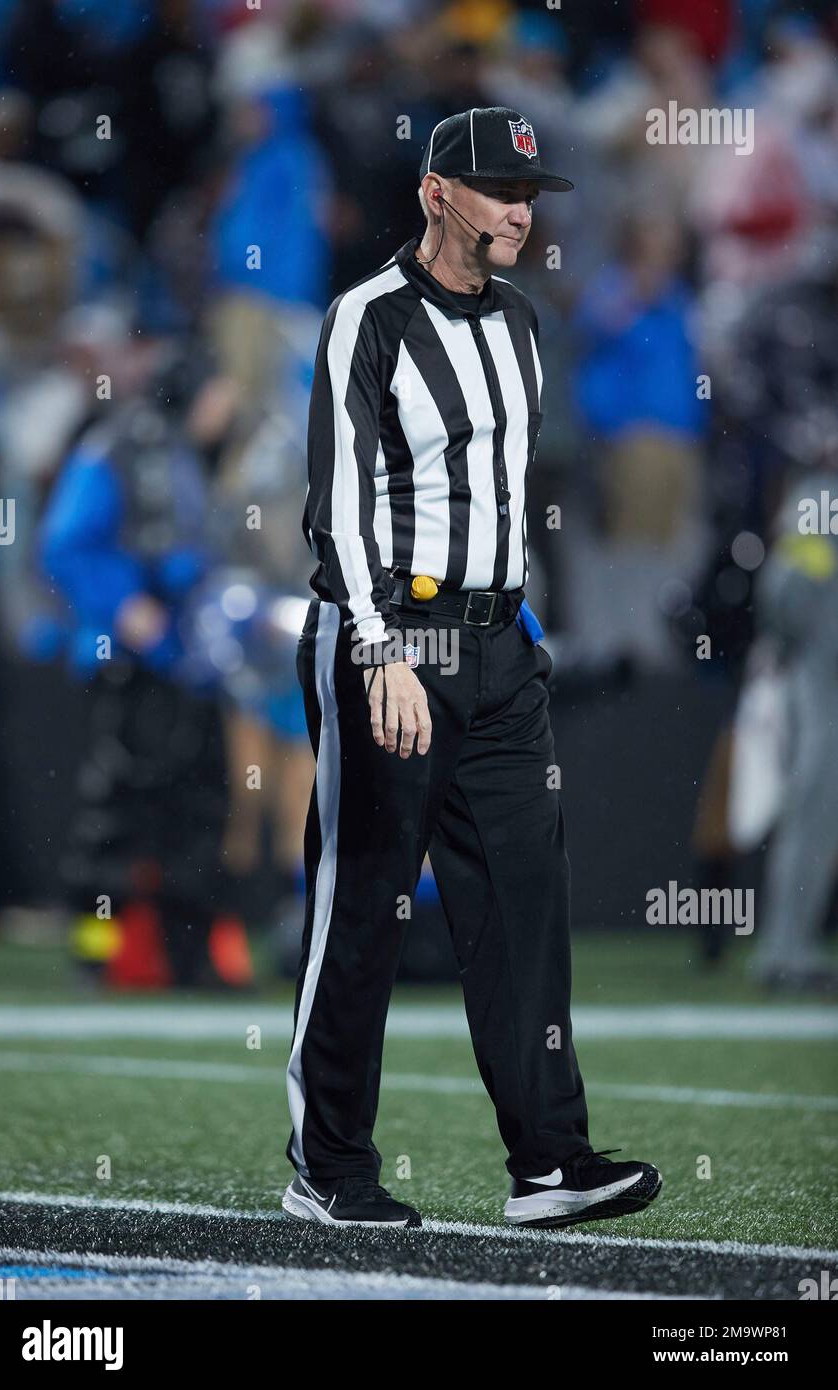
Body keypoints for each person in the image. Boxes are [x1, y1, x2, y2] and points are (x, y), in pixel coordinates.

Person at [282, 108, 662, 1230]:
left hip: (499, 645)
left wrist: (519, 633)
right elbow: (337, 504)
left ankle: (548, 1162)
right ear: (434, 192)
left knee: (522, 908)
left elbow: (496, 499)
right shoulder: (367, 320)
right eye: (498, 191)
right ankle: (329, 1165)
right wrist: (380, 644)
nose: (519, 212)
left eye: (530, 195)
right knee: (364, 903)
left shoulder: (522, 321)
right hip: (394, 635)